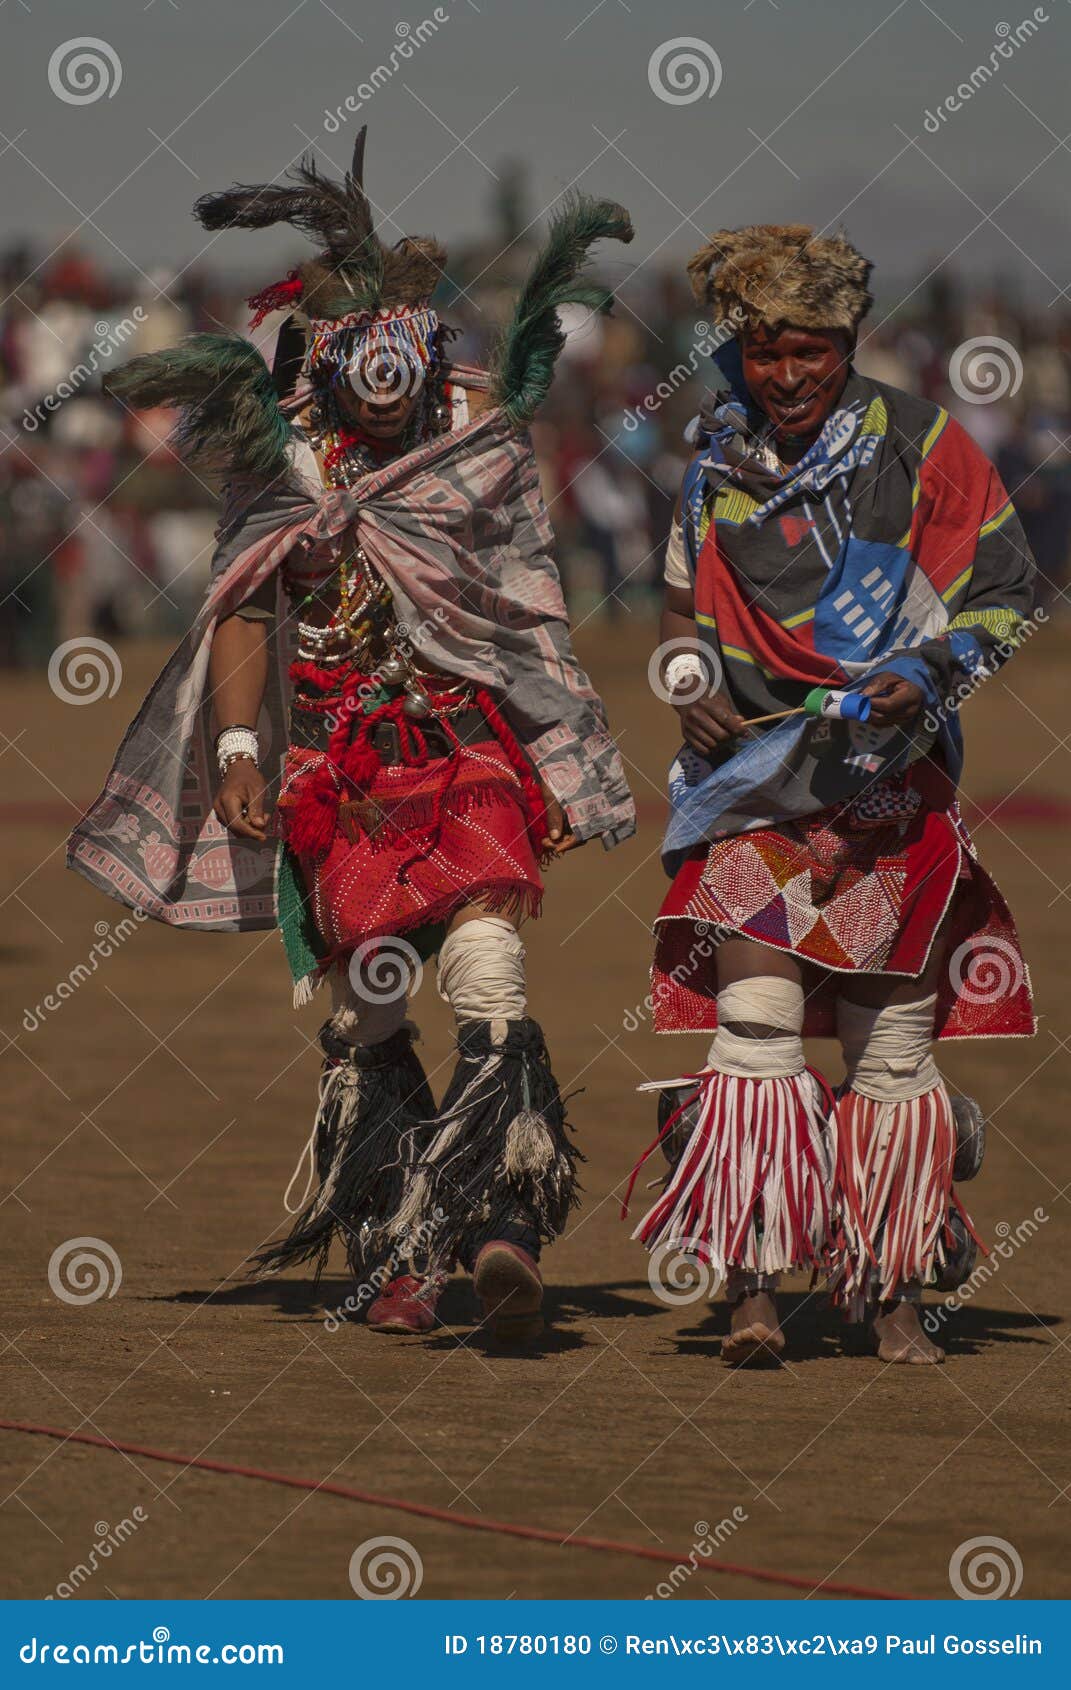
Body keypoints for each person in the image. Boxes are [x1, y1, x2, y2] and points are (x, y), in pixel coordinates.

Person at [67, 130, 635, 1342]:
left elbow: (520, 603)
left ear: (432, 363)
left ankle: (504, 1221)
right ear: (323, 369)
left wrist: (553, 746)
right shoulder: (284, 458)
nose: (386, 405)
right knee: (374, 1005)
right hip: (339, 771)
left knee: (489, 968)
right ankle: (402, 1246)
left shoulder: (474, 442)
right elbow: (246, 607)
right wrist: (236, 752)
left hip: (465, 749)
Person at [630, 223, 1035, 1367]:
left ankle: (889, 1288)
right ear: (740, 352)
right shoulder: (713, 460)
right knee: (755, 1035)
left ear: (848, 341)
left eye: (811, 350)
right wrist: (691, 680)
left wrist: (924, 670)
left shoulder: (925, 446)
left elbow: (1004, 594)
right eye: (765, 352)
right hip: (750, 796)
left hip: (890, 796)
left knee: (890, 1052)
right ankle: (754, 1291)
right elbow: (675, 620)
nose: (790, 374)